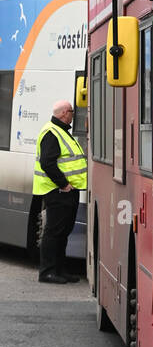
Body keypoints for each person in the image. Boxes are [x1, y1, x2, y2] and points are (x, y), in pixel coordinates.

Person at [34, 99, 87, 285]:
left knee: (63, 232)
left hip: (66, 191)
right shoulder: (52, 132)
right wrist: (63, 184)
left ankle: (59, 270)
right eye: (72, 111)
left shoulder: (62, 131)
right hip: (57, 191)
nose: (73, 114)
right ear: (64, 113)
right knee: (54, 232)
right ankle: (47, 272)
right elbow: (47, 163)